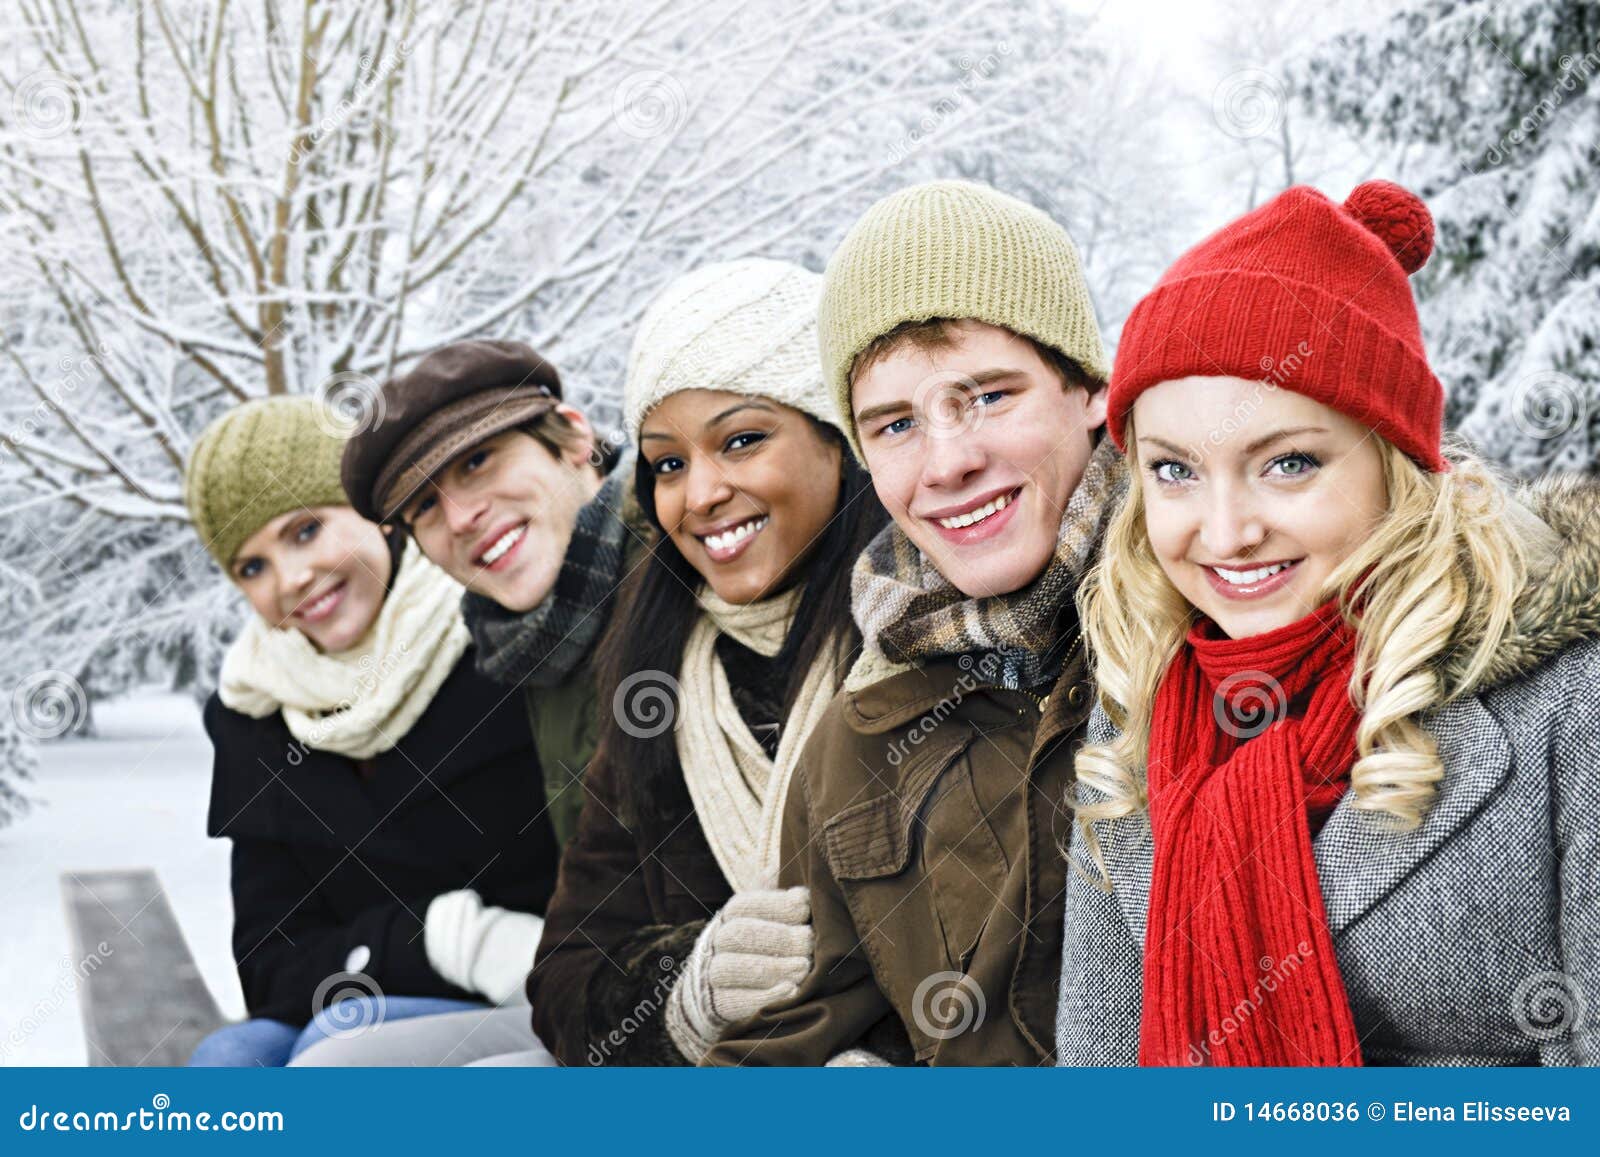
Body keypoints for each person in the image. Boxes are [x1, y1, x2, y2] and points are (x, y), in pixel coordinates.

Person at [1056, 180, 1600, 1067]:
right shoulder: (1141, 710)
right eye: (1175, 471)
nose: (1225, 532)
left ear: (1397, 465)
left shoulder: (1567, 704)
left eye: (1288, 463)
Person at [705, 181, 1126, 1066]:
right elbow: (798, 1037)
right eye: (896, 424)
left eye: (990, 396)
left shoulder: (1220, 624)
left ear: (1089, 387)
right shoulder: (860, 738)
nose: (948, 461)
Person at [521, 257, 892, 1066]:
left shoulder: (925, 637)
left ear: (838, 439)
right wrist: (685, 992)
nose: (699, 495)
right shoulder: (660, 675)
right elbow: (566, 970)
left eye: (742, 440)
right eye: (669, 463)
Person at [182, 396, 560, 1067]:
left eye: (305, 531)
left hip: (534, 993)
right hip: (370, 993)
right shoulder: (255, 713)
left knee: (338, 1051)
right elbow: (271, 968)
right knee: (229, 1059)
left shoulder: (498, 634)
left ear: (378, 513)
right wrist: (444, 937)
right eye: (252, 567)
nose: (291, 579)